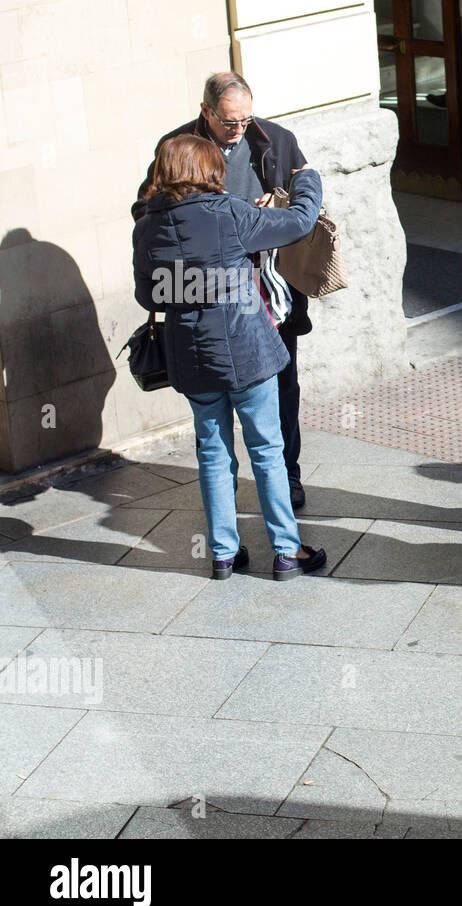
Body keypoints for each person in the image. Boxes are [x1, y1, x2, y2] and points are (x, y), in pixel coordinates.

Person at [132, 135, 327, 581]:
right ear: (208, 171)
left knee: (213, 452)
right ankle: (285, 551)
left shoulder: (146, 226)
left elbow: (149, 294)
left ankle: (223, 553)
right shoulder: (229, 213)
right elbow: (299, 221)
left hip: (190, 355)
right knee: (266, 448)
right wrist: (307, 180)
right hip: (243, 348)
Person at [133, 72, 315, 511]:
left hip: (269, 293)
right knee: (237, 432)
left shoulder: (275, 137)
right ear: (206, 112)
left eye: (246, 120)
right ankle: (278, 543)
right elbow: (146, 210)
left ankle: (278, 491)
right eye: (230, 121)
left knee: (281, 392)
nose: (240, 129)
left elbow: (295, 210)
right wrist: (228, 224)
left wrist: (276, 205)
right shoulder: (175, 148)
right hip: (216, 302)